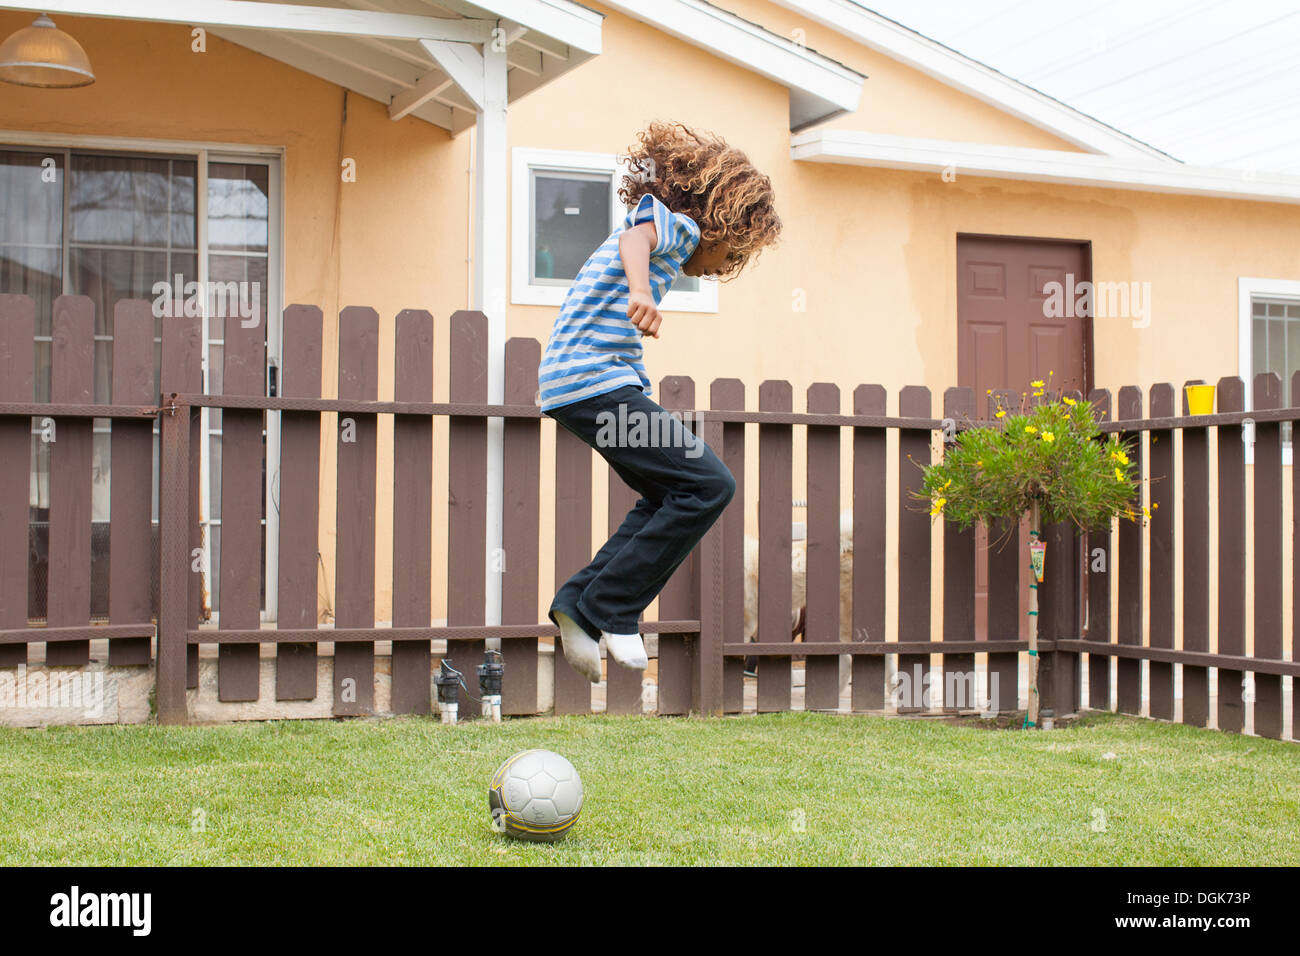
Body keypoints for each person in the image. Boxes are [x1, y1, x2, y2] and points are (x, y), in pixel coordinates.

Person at [537, 120, 782, 682]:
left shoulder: (669, 233)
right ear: (726, 222)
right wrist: (642, 291)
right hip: (594, 384)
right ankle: (615, 609)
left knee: (668, 493)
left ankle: (580, 604)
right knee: (709, 484)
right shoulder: (677, 228)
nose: (722, 269)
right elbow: (635, 240)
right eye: (733, 256)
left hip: (580, 387)